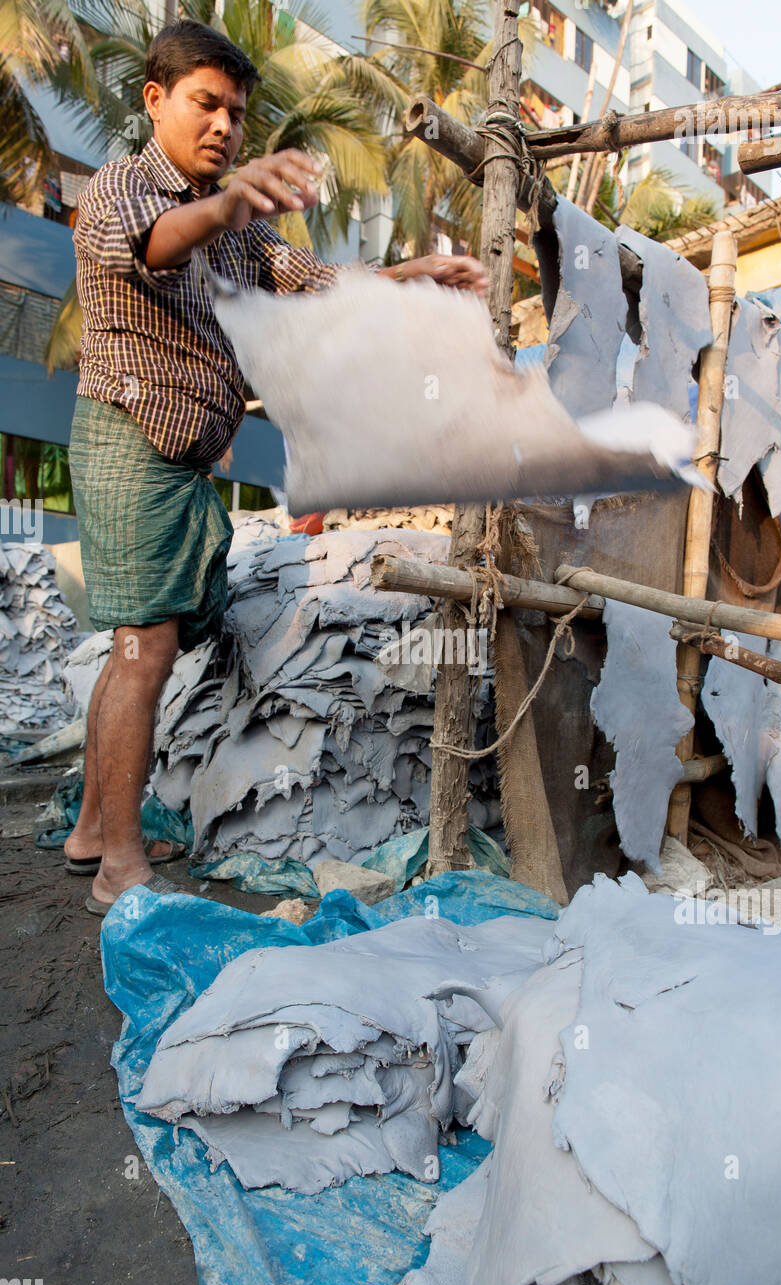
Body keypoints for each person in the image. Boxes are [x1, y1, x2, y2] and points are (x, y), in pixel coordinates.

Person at [65, 19, 488, 915]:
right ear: (156, 100)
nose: (223, 125)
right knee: (144, 653)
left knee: (140, 644)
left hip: (179, 463)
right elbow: (152, 244)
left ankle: (94, 829)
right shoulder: (126, 191)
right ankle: (121, 869)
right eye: (204, 104)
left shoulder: (236, 224)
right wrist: (225, 206)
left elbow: (316, 282)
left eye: (236, 113)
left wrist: (418, 274)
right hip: (129, 442)